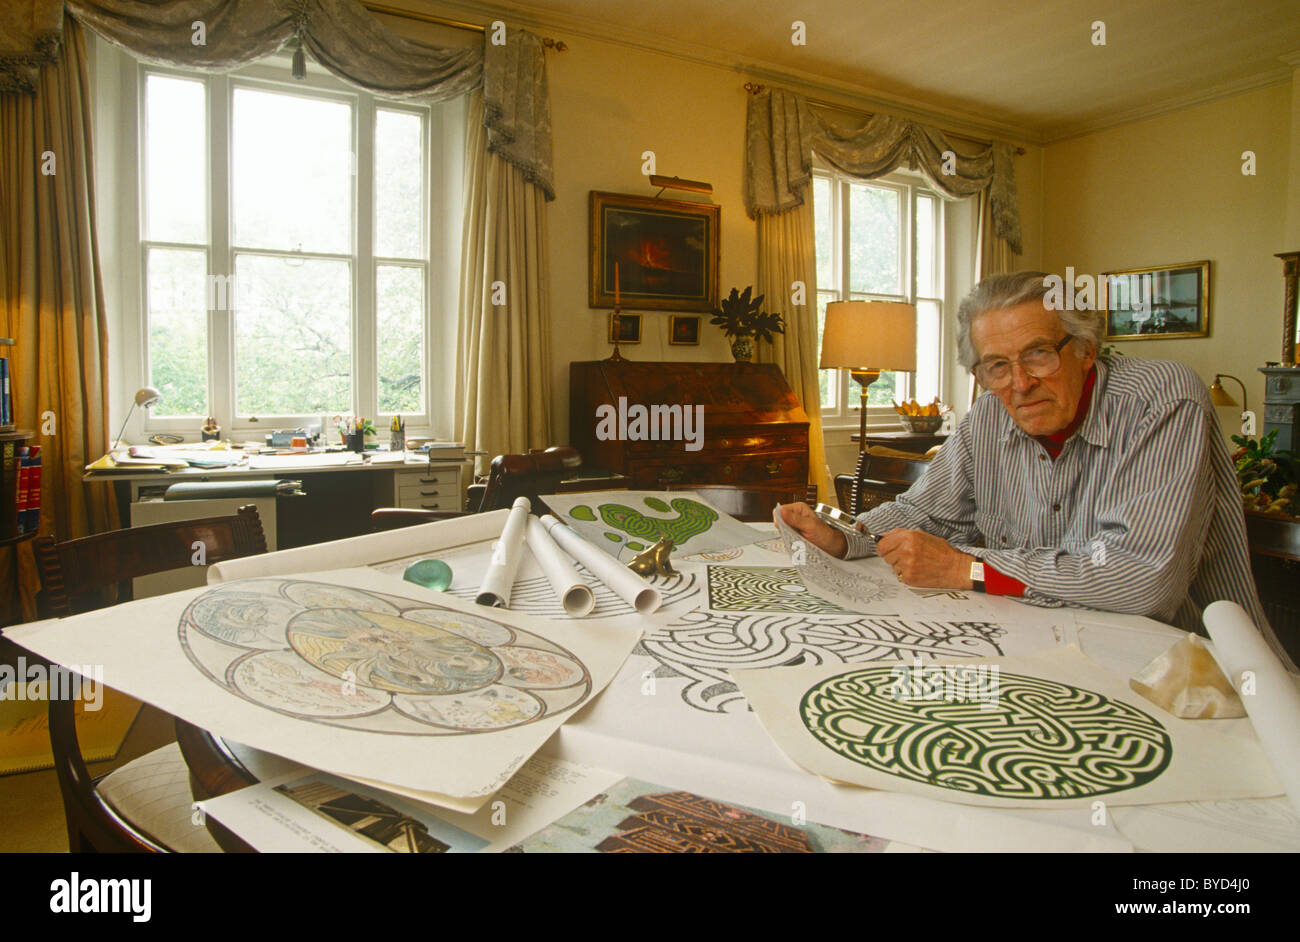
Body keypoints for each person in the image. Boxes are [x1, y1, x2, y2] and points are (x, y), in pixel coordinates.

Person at [783, 270, 1289, 662]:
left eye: (1039, 354)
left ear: (1086, 350)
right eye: (996, 366)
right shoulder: (986, 417)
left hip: (1189, 668)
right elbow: (927, 513)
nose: (1019, 384)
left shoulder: (1162, 400)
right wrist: (849, 535)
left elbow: (1142, 580)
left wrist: (971, 568)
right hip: (1038, 648)